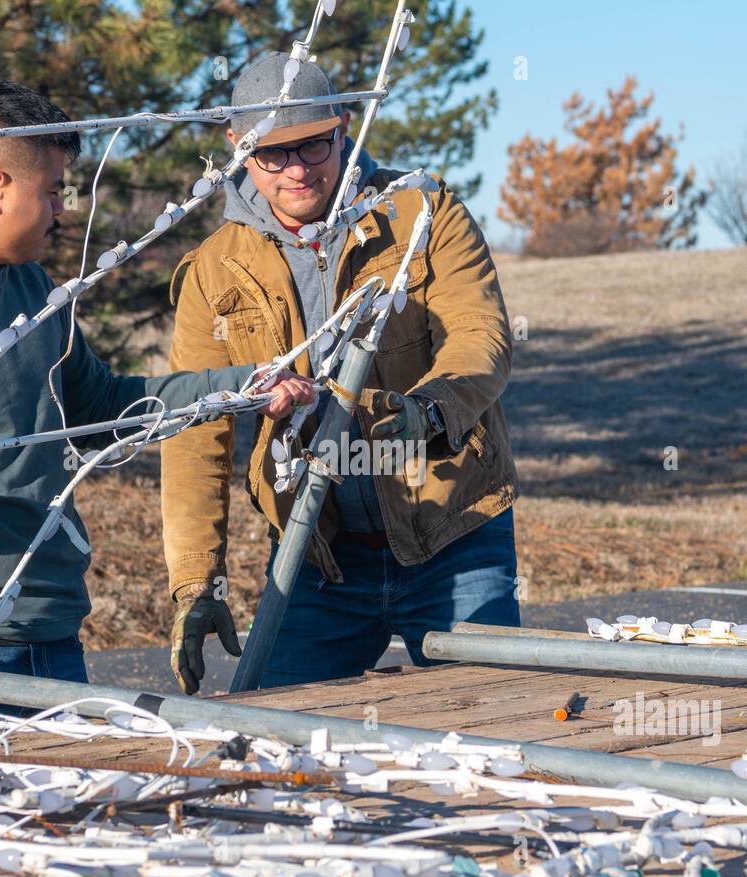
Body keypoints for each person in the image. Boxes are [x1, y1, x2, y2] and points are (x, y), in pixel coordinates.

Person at [0, 75, 312, 712]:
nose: (62, 209)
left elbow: (104, 409)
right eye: (51, 192)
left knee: (63, 811)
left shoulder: (30, 289)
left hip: (52, 631)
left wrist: (241, 387)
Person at [161, 53, 520, 693]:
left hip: (453, 536)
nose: (298, 168)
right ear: (237, 148)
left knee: (495, 723)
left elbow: (480, 335)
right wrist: (196, 580)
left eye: (314, 145)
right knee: (278, 740)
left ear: (345, 125)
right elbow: (196, 432)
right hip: (314, 556)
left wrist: (428, 413)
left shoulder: (424, 214)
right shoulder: (213, 270)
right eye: (274, 154)